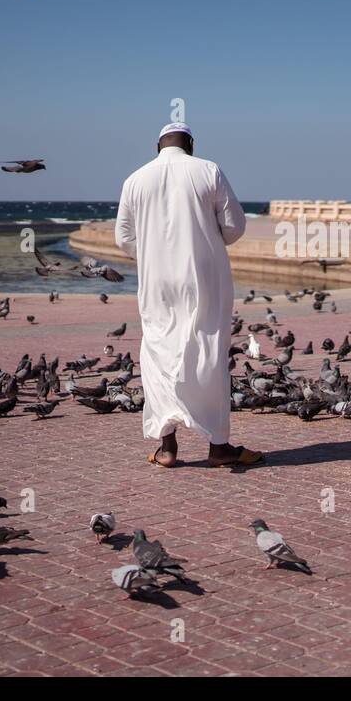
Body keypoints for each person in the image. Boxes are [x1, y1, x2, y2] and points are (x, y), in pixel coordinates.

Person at [114, 123, 262, 467]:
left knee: (157, 348)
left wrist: (154, 252)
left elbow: (123, 238)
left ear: (158, 146)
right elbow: (235, 226)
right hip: (203, 276)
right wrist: (206, 240)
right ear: (191, 144)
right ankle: (219, 446)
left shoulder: (134, 180)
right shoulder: (208, 170)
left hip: (156, 282)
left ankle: (167, 448)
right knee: (209, 348)